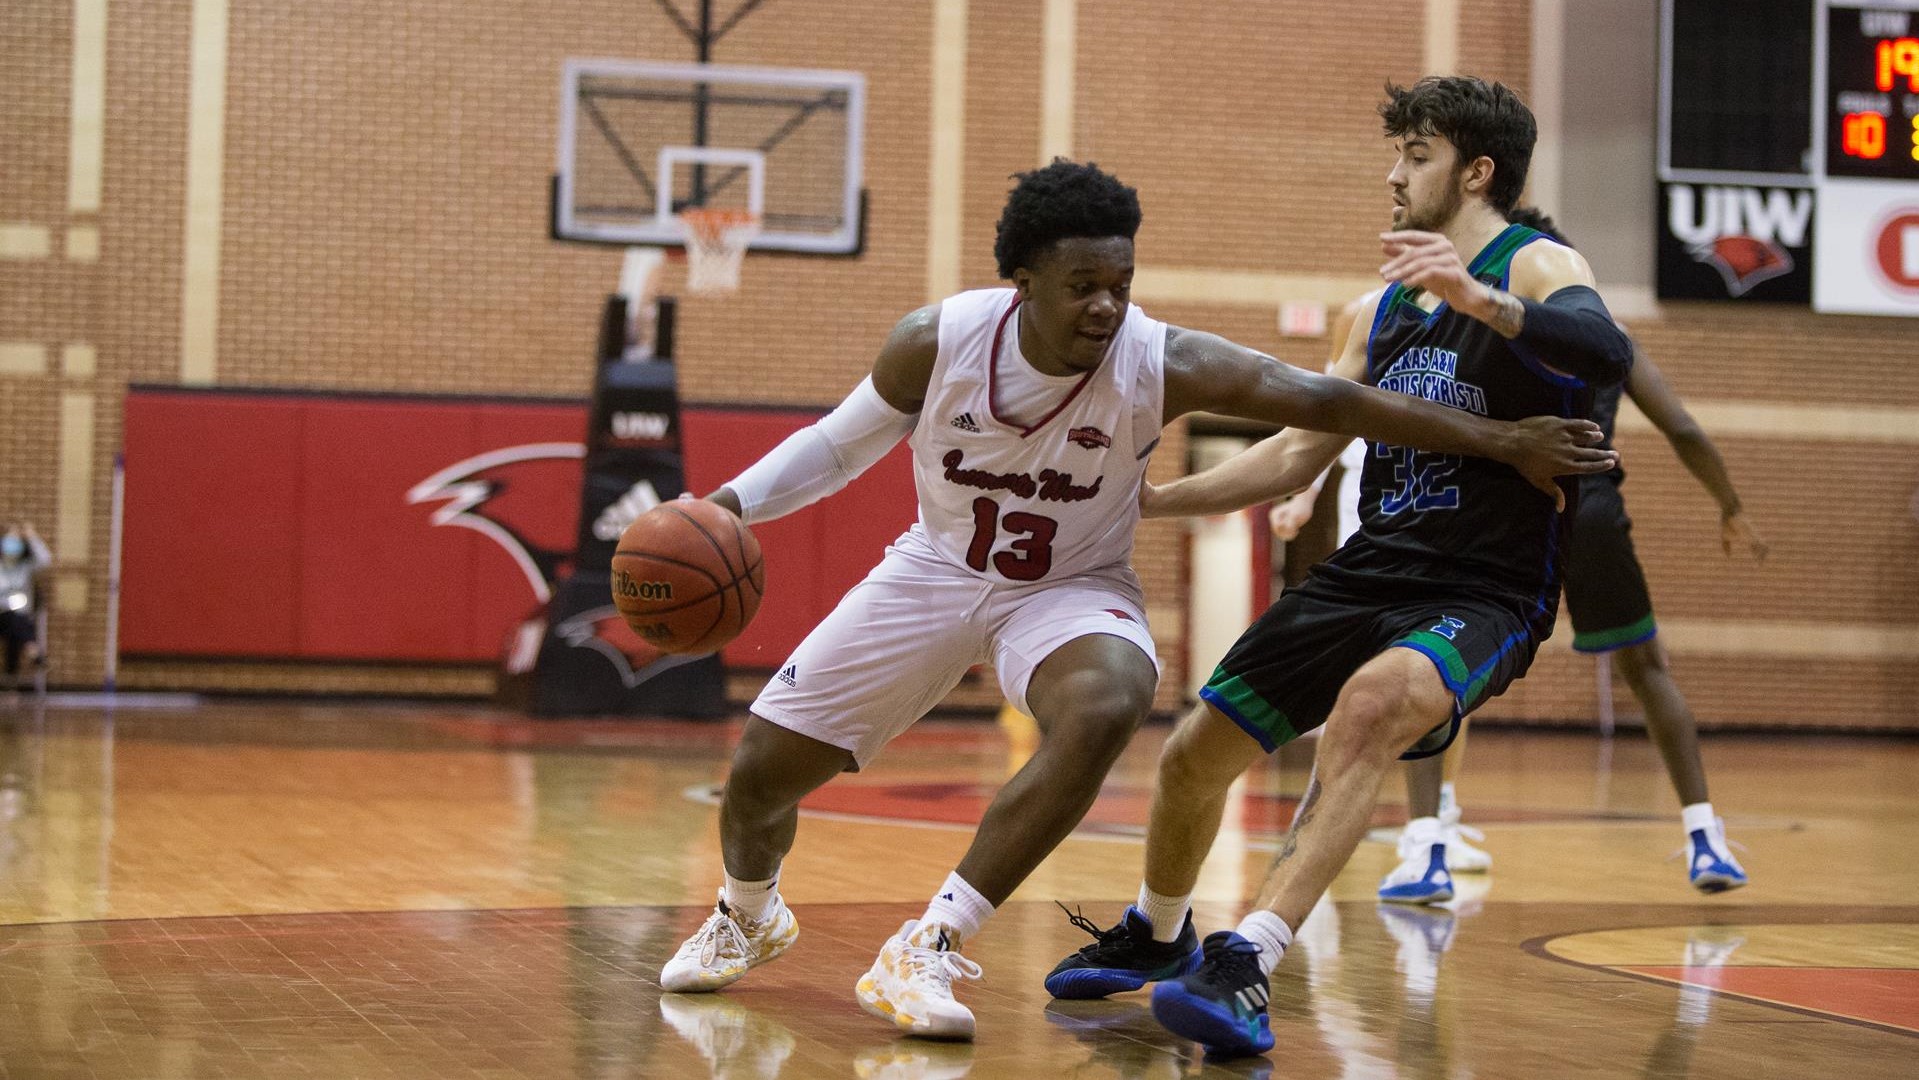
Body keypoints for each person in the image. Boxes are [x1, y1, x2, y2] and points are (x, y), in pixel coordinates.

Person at [655, 158, 1615, 1040]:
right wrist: (725, 505)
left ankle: (931, 946)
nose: (1106, 306)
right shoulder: (937, 340)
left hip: (1069, 591)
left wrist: (1499, 442)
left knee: (1110, 700)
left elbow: (1323, 403)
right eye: (1082, 287)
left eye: (1120, 283)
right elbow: (833, 447)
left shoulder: (1160, 358)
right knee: (760, 779)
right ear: (1021, 281)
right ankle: (747, 915)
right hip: (935, 569)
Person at [1042, 77, 1635, 1058]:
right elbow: (1291, 453)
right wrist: (1146, 498)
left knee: (1369, 708)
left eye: (1414, 155)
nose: (1392, 174)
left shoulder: (1533, 264)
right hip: (1369, 569)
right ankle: (1156, 932)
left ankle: (1245, 963)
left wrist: (1477, 300)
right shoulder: (1378, 312)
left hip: (1484, 587)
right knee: (1194, 754)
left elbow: (1603, 349)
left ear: (1474, 170)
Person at [1370, 207, 1765, 903]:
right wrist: (1729, 503)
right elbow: (1681, 426)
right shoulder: (1603, 336)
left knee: (1428, 659)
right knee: (1647, 668)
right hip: (1591, 510)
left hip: (1502, 507)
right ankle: (1704, 833)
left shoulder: (1483, 322)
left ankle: (1426, 847)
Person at [1, 523, 52, 694]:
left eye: (16, 540)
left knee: (15, 625)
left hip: (17, 617)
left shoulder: (26, 566)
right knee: (15, 621)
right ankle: (33, 650)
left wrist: (32, 536)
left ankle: (10, 682)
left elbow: (45, 560)